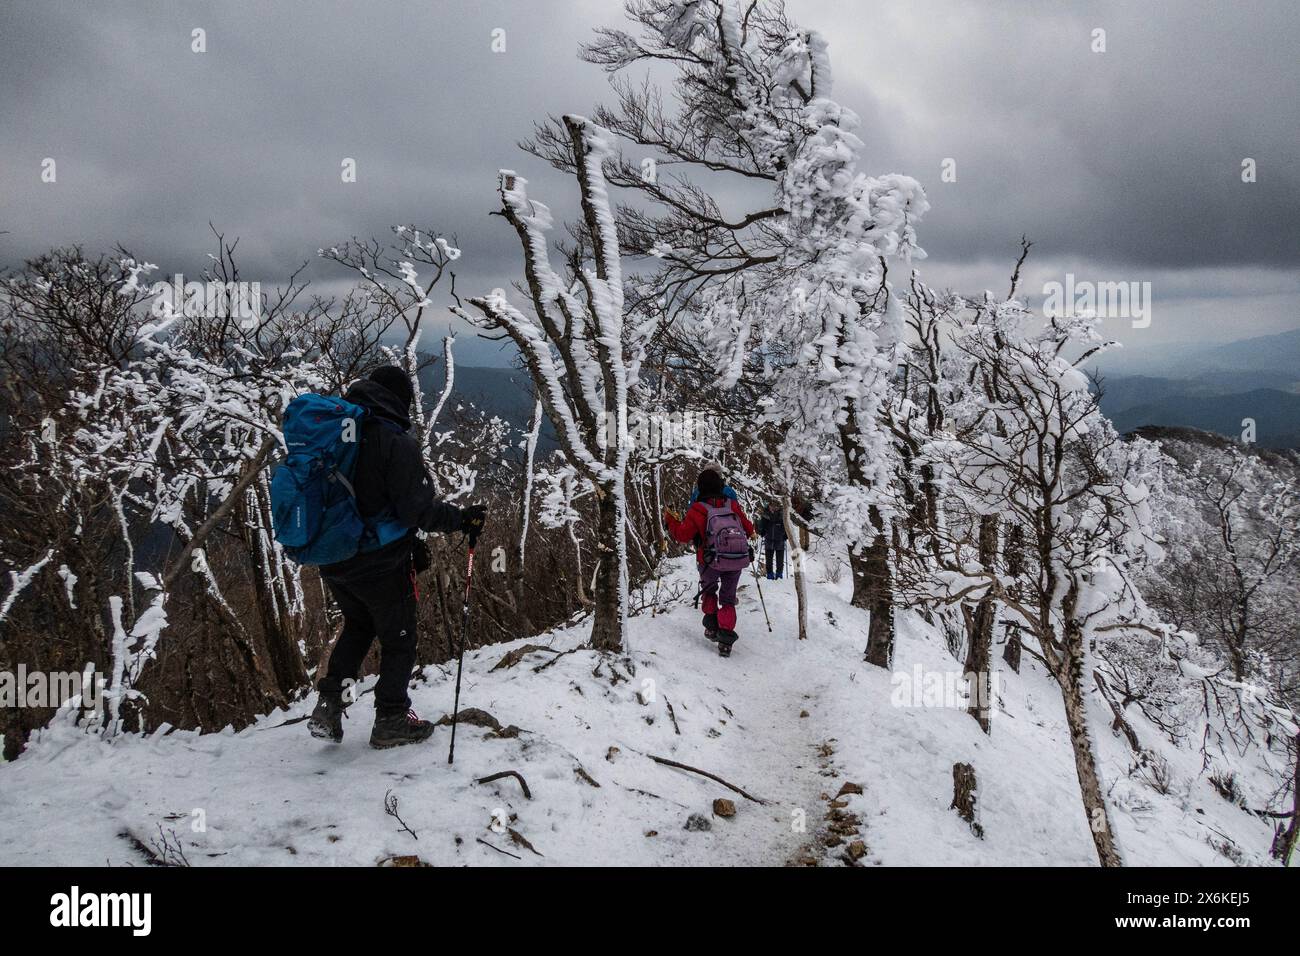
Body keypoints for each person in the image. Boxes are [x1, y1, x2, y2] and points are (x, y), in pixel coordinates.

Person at [307, 365, 486, 749]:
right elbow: (417, 511)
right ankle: (391, 718)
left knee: (358, 625)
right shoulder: (393, 441)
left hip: (335, 558)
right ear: (399, 400)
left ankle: (329, 703)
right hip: (380, 563)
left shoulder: (340, 431)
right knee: (399, 639)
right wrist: (462, 519)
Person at [665, 467, 755, 657]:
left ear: (700, 488)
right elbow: (748, 528)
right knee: (728, 599)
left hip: (709, 560)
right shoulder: (732, 506)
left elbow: (682, 535)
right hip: (735, 560)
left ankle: (712, 627)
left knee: (709, 591)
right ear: (721, 486)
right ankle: (725, 641)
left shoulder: (698, 509)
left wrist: (670, 521)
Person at [756, 501, 788, 580]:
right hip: (769, 539)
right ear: (769, 506)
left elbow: (787, 526)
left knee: (780, 561)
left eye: (775, 506)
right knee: (769, 560)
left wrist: (786, 535)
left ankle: (779, 575)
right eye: (772, 506)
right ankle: (770, 574)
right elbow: (761, 525)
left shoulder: (782, 514)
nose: (773, 508)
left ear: (778, 506)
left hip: (779, 539)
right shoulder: (765, 514)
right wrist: (761, 530)